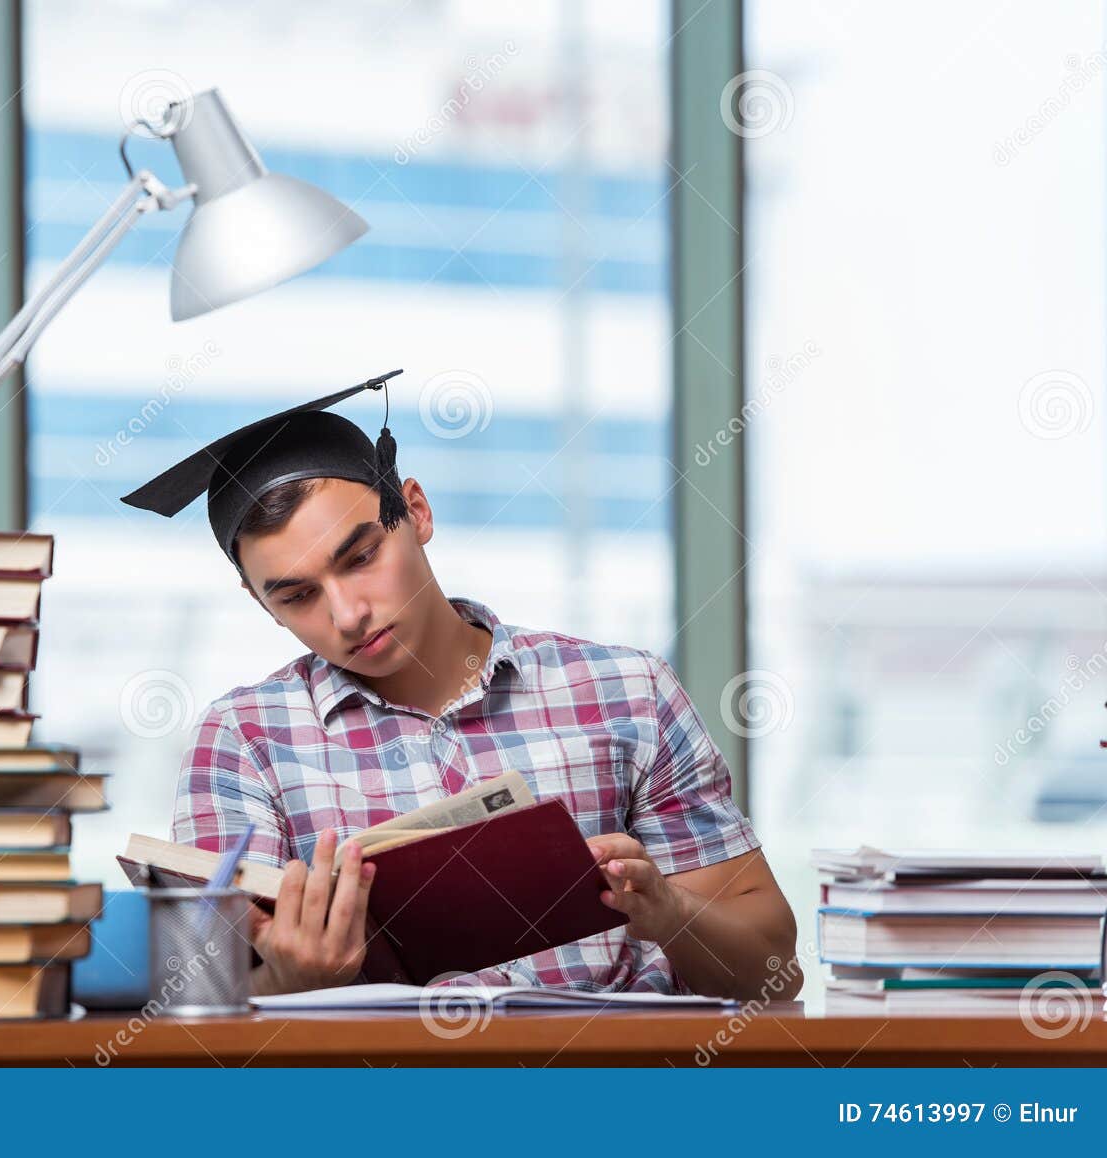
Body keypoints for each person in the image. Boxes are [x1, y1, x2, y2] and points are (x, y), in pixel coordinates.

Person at [120, 370, 800, 999]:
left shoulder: (629, 692)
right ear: (258, 601)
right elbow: (200, 1008)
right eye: (297, 596)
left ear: (415, 511)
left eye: (361, 557)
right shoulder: (243, 740)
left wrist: (670, 914)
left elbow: (775, 973)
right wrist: (293, 981)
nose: (348, 613)